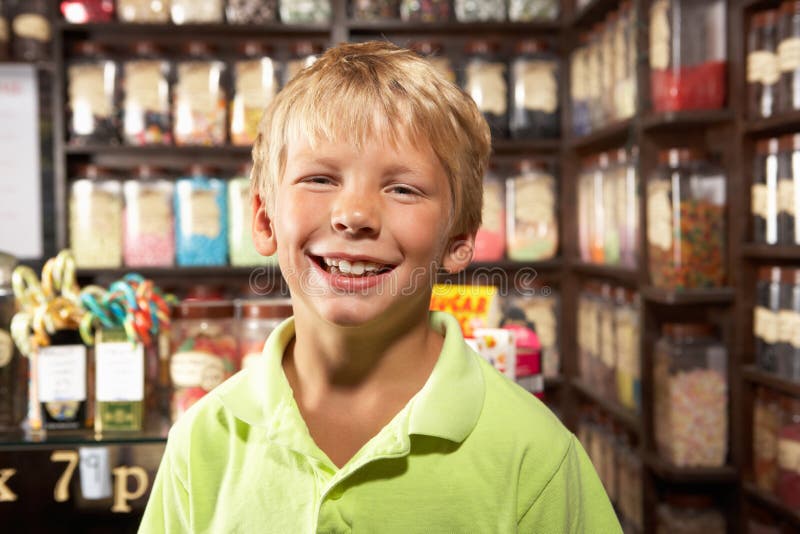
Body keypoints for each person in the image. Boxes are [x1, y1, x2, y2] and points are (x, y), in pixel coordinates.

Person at [139, 40, 621, 533]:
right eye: (320, 179)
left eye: (403, 189)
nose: (354, 216)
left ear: (457, 239)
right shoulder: (199, 445)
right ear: (264, 220)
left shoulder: (535, 458)